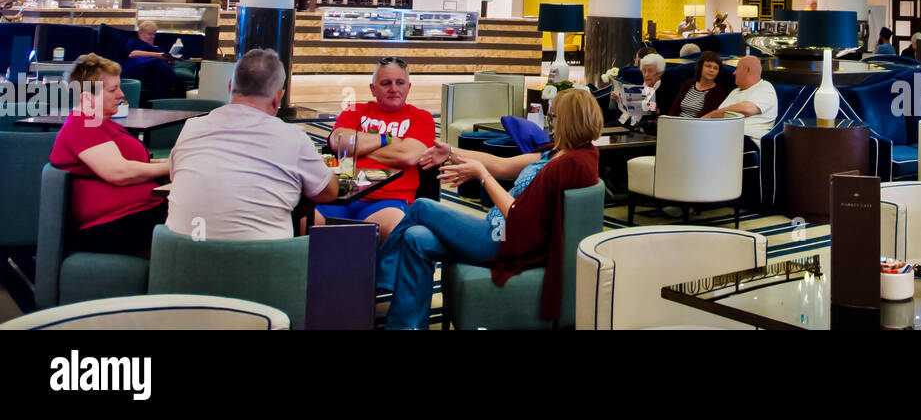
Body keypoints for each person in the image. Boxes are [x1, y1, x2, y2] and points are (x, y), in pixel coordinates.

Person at [379, 87, 602, 330]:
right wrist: (451, 153)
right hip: (499, 229)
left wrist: (482, 176)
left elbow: (519, 215)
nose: (551, 122)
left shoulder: (569, 164)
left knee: (422, 206)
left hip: (506, 239)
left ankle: (378, 278)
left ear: (568, 121)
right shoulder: (557, 154)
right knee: (415, 238)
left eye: (555, 116)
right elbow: (501, 164)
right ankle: (406, 326)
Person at [166, 49, 337, 240]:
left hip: (182, 262)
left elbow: (175, 176)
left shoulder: (192, 127)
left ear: (230, 86)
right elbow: (328, 192)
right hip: (263, 265)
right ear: (277, 98)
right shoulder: (293, 137)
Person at [49, 54, 170, 255]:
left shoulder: (103, 124)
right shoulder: (82, 126)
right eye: (113, 90)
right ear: (87, 97)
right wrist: (172, 166)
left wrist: (170, 161)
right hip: (109, 224)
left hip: (136, 212)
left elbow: (135, 162)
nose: (121, 94)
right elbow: (118, 172)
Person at [315, 57, 436, 239]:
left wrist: (360, 146)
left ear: (408, 87)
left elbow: (408, 156)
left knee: (392, 227)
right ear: (373, 89)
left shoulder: (421, 117)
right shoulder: (354, 110)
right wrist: (387, 139)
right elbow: (338, 142)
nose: (394, 89)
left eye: (400, 82)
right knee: (305, 221)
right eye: (386, 83)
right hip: (341, 195)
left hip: (389, 201)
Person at [702, 55, 777, 143]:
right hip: (722, 135)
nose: (734, 73)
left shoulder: (764, 87)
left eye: (737, 68)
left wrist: (711, 115)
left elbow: (747, 109)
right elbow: (720, 115)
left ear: (748, 70)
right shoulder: (735, 91)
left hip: (746, 139)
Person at [122, 21, 186, 103]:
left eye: (154, 34)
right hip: (136, 68)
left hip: (155, 72)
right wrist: (159, 55)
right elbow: (132, 54)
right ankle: (172, 84)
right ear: (140, 33)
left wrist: (168, 59)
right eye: (150, 34)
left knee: (176, 82)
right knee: (157, 63)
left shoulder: (158, 48)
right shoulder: (134, 41)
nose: (152, 37)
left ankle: (175, 105)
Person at [668, 51, 731, 118]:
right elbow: (674, 108)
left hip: (695, 126)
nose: (712, 70)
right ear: (700, 67)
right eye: (708, 66)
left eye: (715, 68)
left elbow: (702, 119)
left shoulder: (717, 92)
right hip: (676, 123)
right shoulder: (688, 84)